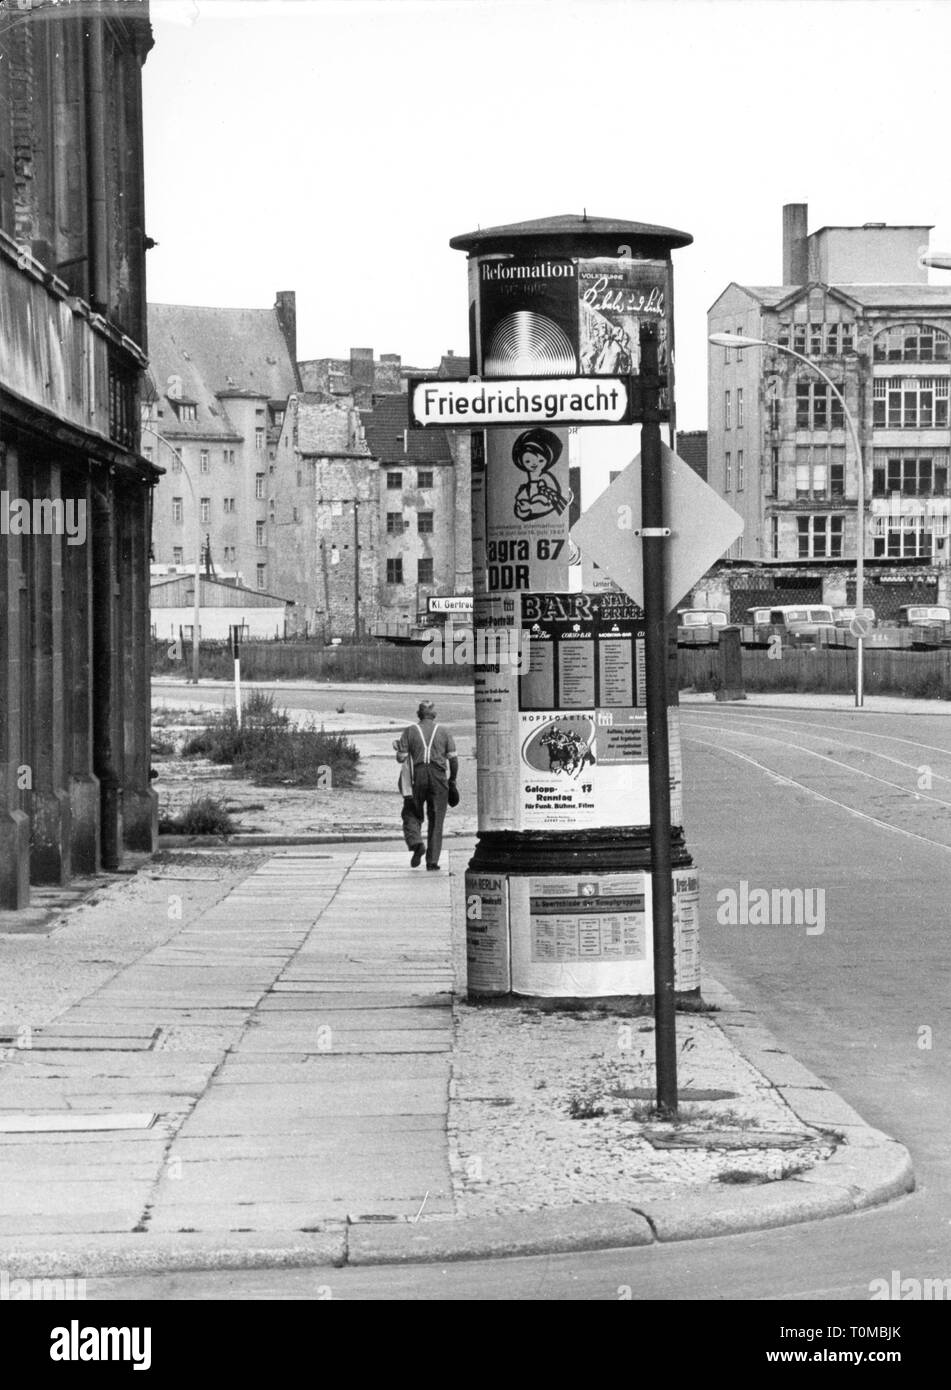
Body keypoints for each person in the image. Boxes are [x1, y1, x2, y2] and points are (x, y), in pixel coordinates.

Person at [394, 700, 458, 870]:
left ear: (418, 714)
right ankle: (432, 861)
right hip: (439, 777)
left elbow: (401, 757)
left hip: (417, 776)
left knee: (411, 812)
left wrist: (398, 749)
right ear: (434, 714)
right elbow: (453, 759)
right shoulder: (444, 732)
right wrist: (452, 781)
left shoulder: (410, 731)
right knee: (437, 819)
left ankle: (416, 843)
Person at [511, 427, 568, 521]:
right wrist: (522, 509)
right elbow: (520, 505)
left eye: (540, 460)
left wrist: (531, 507)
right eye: (528, 461)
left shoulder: (546, 477)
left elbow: (555, 502)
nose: (534, 464)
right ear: (521, 461)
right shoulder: (526, 488)